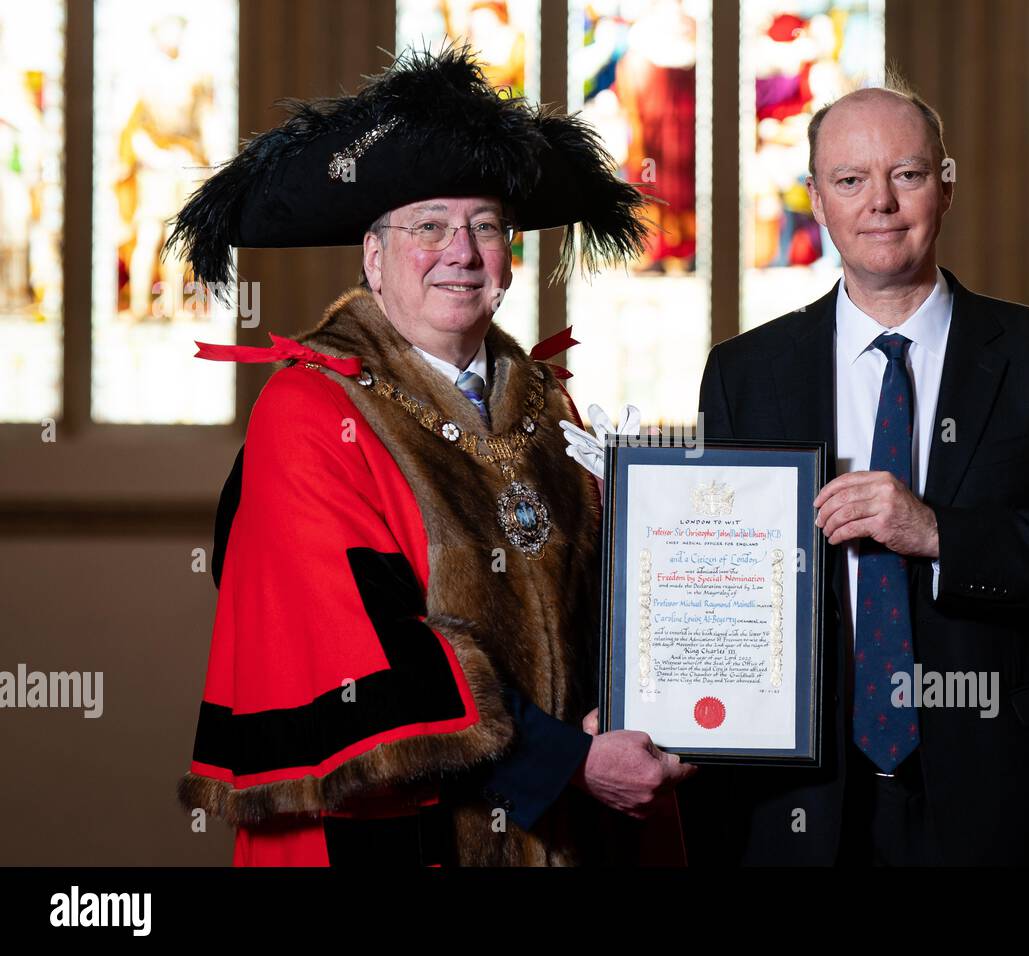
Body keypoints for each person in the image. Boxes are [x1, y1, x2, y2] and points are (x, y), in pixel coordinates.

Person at [170, 46, 692, 867]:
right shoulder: (309, 411)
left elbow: (597, 612)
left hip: (554, 835)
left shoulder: (548, 409)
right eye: (428, 226)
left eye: (485, 225)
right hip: (398, 840)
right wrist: (571, 762)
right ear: (373, 258)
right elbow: (366, 648)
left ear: (510, 259)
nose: (462, 251)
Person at [684, 76, 1029, 865]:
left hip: (1006, 787)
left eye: (905, 174)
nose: (881, 203)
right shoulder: (744, 372)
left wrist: (939, 533)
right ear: (815, 196)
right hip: (802, 795)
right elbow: (715, 575)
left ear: (945, 184)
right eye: (850, 180)